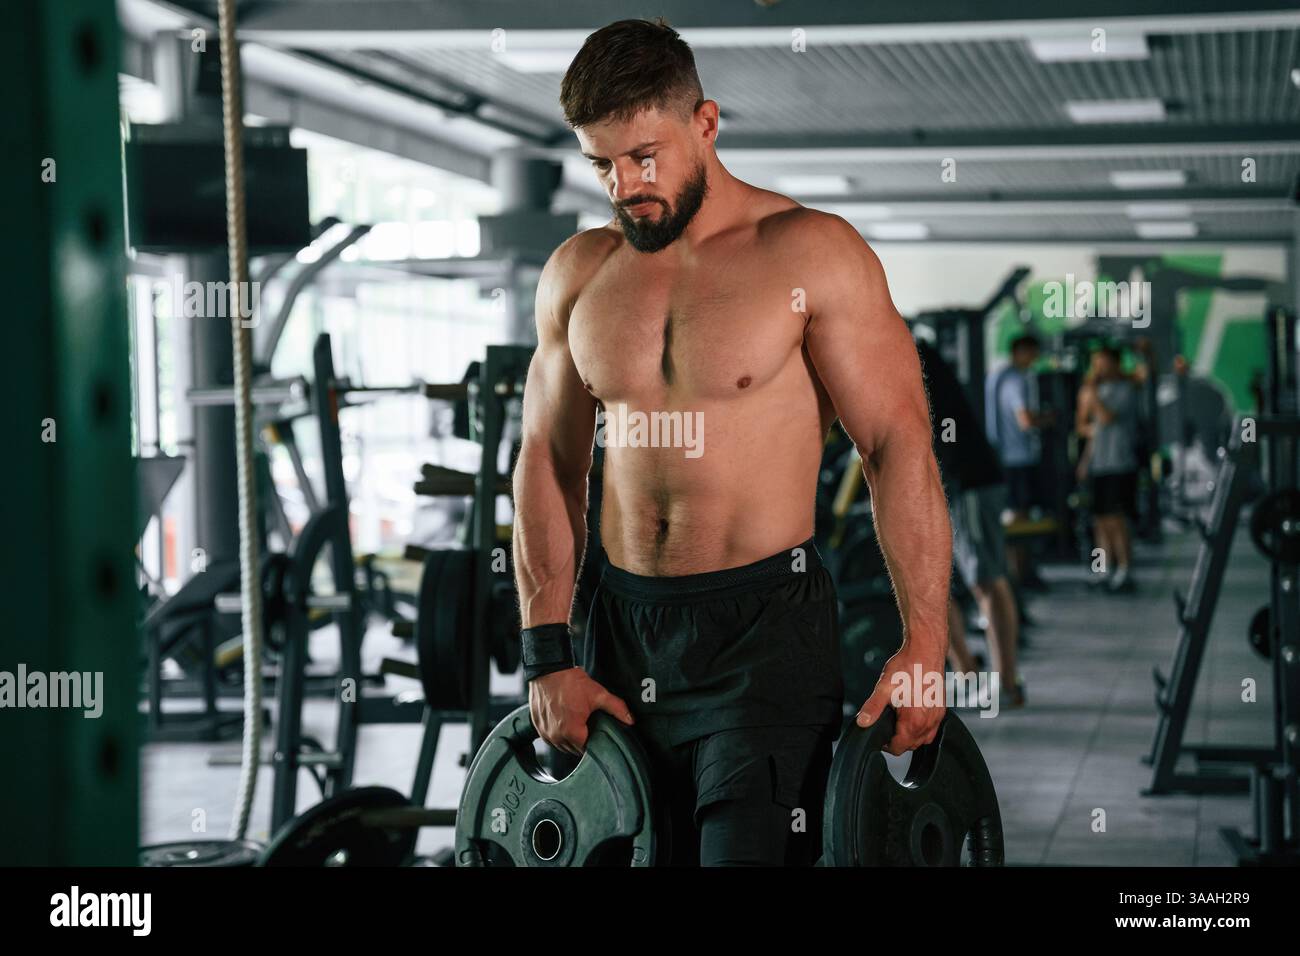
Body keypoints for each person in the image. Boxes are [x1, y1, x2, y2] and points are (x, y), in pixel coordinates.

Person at [512, 18, 951, 866]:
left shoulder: (812, 253)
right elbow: (550, 460)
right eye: (601, 163)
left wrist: (924, 644)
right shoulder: (580, 273)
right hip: (621, 624)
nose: (624, 184)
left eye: (644, 155)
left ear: (706, 125)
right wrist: (546, 655)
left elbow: (898, 442)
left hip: (763, 635)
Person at [915, 340, 1025, 709]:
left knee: (986, 582)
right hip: (947, 485)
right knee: (928, 587)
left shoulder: (911, 355)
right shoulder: (901, 353)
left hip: (970, 483)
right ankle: (967, 674)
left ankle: (1007, 685)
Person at [985, 333, 1053, 591]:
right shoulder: (1015, 380)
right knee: (1019, 517)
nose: (1035, 360)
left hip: (1005, 456)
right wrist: (1049, 419)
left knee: (1015, 515)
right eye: (1033, 354)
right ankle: (1020, 573)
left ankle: (1018, 572)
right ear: (1022, 351)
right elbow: (1025, 419)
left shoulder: (996, 377)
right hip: (1018, 458)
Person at [1076, 346, 1140, 592]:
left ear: (1115, 363)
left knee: (1116, 519)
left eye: (1103, 363)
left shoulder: (1126, 390)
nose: (1099, 368)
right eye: (1096, 363)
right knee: (1100, 520)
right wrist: (1085, 461)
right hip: (1099, 462)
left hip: (1119, 462)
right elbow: (1085, 426)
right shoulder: (1094, 392)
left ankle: (1125, 569)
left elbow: (1106, 418)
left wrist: (1092, 396)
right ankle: (1104, 569)